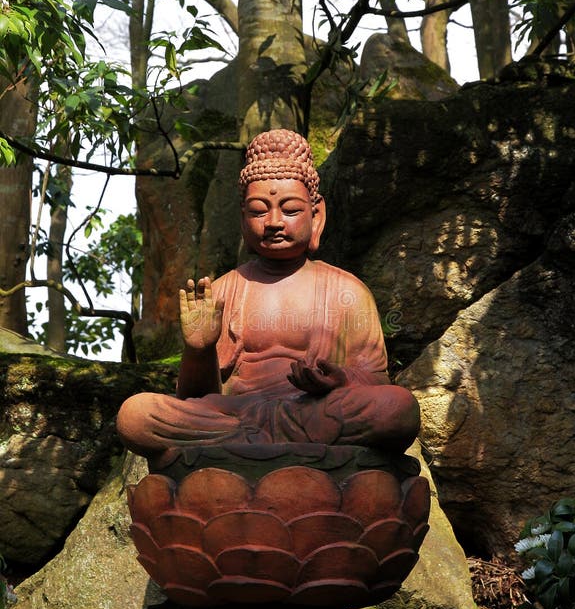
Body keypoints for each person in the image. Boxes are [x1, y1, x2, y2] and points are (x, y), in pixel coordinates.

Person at [117, 129, 420, 469]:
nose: (274, 222)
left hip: (312, 412)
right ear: (243, 218)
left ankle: (245, 450)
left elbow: (375, 382)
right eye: (259, 211)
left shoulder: (346, 290)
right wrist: (199, 350)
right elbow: (194, 399)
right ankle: (276, 446)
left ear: (316, 215)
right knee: (135, 415)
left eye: (290, 209)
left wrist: (340, 379)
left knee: (398, 408)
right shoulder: (224, 290)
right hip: (236, 414)